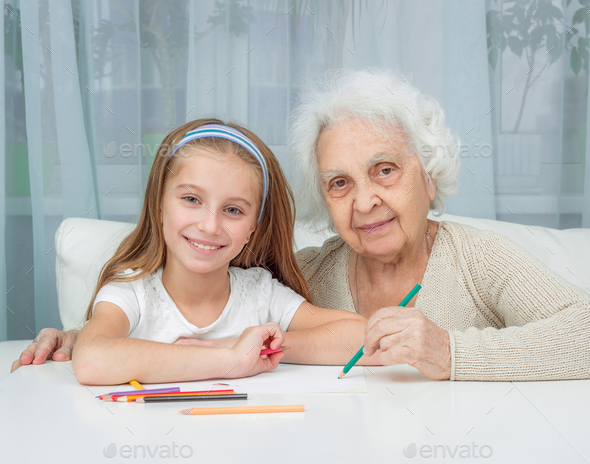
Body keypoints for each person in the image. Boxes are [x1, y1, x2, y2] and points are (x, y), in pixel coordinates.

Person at [14, 70, 590, 381]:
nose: (365, 202)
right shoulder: (305, 272)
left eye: (384, 171)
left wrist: (452, 354)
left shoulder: (478, 260)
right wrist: (81, 336)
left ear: (430, 175)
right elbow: (201, 300)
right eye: (340, 182)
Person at [62, 119, 378, 385]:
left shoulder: (260, 293)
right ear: (159, 204)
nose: (210, 226)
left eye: (233, 210)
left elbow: (362, 336)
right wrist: (230, 360)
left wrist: (245, 347)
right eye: (191, 200)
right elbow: (91, 359)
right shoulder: (131, 292)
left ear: (253, 227)